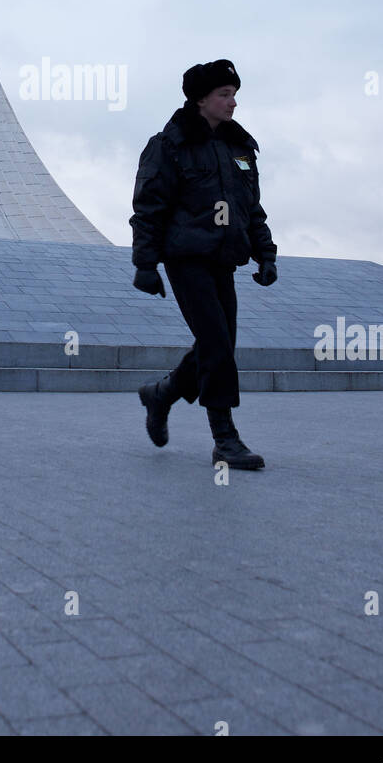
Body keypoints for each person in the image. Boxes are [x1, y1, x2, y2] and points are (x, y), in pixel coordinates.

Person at [130, 58, 278, 469]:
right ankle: (225, 441)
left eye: (234, 95)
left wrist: (265, 253)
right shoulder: (170, 145)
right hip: (186, 259)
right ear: (201, 100)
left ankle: (161, 394)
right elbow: (148, 207)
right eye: (224, 95)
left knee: (218, 345)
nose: (233, 103)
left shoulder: (239, 148)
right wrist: (146, 264)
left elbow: (252, 209)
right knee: (216, 345)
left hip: (223, 260)